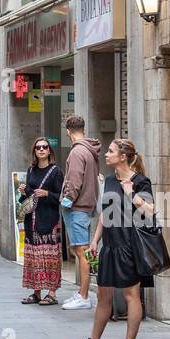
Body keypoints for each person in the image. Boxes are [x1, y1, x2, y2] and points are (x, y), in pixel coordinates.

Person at [69, 139, 155, 339]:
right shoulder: (108, 180)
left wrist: (131, 194)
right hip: (110, 245)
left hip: (129, 246)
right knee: (103, 294)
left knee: (131, 294)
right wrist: (95, 240)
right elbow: (105, 214)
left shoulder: (140, 181)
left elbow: (149, 212)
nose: (106, 154)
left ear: (123, 156)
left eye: (110, 151)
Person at [59, 116, 101, 310]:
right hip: (85, 206)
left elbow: (74, 180)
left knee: (81, 251)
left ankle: (84, 296)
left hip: (77, 207)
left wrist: (67, 200)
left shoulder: (77, 152)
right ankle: (82, 293)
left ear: (68, 131)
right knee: (81, 250)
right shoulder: (90, 150)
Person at [19, 137, 65, 306]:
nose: (41, 150)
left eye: (45, 147)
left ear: (49, 151)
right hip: (31, 221)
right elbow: (27, 197)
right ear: (34, 151)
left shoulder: (56, 172)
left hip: (49, 220)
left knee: (50, 257)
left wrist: (47, 194)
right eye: (38, 147)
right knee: (34, 257)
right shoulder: (31, 170)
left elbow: (62, 197)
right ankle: (36, 292)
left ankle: (52, 293)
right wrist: (24, 192)